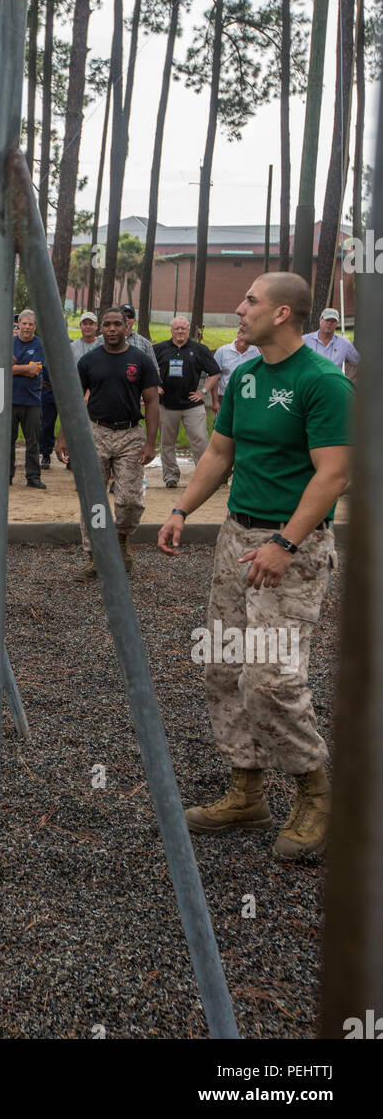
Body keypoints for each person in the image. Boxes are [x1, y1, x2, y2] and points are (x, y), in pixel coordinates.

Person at [157, 272, 351, 861]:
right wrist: (181, 508)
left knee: (269, 676)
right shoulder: (244, 377)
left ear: (284, 313)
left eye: (250, 302)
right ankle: (247, 791)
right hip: (236, 537)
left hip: (292, 547)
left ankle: (316, 791)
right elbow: (221, 452)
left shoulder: (323, 383)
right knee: (221, 665)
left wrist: (285, 544)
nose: (239, 309)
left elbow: (333, 474)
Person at [56, 306, 159, 577]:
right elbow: (74, 401)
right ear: (101, 329)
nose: (112, 329)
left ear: (127, 327)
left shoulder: (141, 360)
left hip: (130, 435)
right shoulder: (89, 361)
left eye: (117, 324)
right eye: (107, 324)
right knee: (94, 500)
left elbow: (151, 401)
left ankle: (122, 537)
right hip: (96, 434)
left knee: (129, 500)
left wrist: (150, 442)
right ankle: (95, 556)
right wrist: (63, 437)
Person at [154, 316, 220, 488]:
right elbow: (146, 368)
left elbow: (215, 373)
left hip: (192, 405)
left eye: (183, 328)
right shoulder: (159, 349)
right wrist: (155, 386)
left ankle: (204, 476)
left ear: (188, 329)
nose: (180, 331)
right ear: (171, 330)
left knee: (200, 441)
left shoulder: (199, 349)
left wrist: (203, 391)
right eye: (177, 328)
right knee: (167, 443)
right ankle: (170, 476)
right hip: (166, 405)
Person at [10, 309, 46, 488]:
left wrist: (16, 367)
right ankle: (6, 475)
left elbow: (35, 370)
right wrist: (25, 368)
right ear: (19, 324)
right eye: (24, 323)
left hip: (32, 400)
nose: (27, 327)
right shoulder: (10, 342)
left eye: (30, 324)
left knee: (33, 441)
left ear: (35, 326)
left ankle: (33, 477)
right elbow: (3, 368)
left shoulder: (39, 344)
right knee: (7, 440)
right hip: (10, 399)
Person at [302, 307, 359, 382]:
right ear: (320, 320)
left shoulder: (345, 344)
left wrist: (347, 381)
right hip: (310, 387)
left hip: (334, 388)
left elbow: (358, 363)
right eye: (327, 320)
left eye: (333, 321)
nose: (329, 323)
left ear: (337, 323)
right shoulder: (305, 340)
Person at [212, 328, 260, 412]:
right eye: (243, 335)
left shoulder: (257, 352)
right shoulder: (222, 351)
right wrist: (215, 401)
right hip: (225, 397)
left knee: (244, 424)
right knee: (222, 424)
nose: (245, 339)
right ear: (238, 334)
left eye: (249, 337)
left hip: (247, 398)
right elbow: (215, 377)